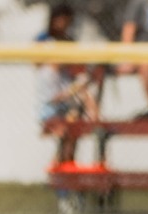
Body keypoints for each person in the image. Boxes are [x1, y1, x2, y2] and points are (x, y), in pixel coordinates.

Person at [37, 3, 100, 166]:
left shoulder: (69, 45)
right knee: (66, 130)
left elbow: (78, 72)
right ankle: (60, 168)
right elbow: (53, 97)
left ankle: (67, 167)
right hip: (53, 108)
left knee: (74, 122)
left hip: (65, 104)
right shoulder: (48, 68)